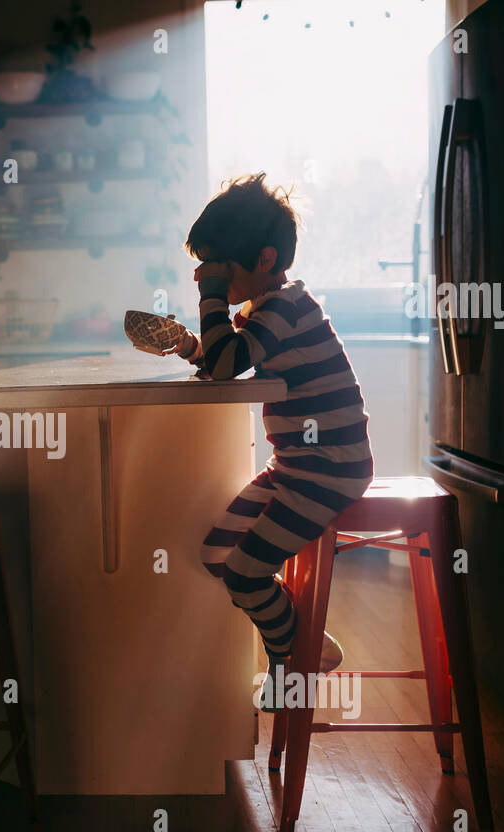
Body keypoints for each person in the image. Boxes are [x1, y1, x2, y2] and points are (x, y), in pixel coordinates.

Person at [168, 173, 375, 710]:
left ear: (263, 261)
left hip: (330, 468)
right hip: (298, 465)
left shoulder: (285, 308)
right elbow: (224, 364)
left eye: (218, 269)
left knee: (242, 572)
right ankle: (307, 639)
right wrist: (195, 346)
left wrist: (210, 298)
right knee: (218, 554)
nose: (208, 279)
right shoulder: (267, 311)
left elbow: (228, 365)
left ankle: (289, 661)